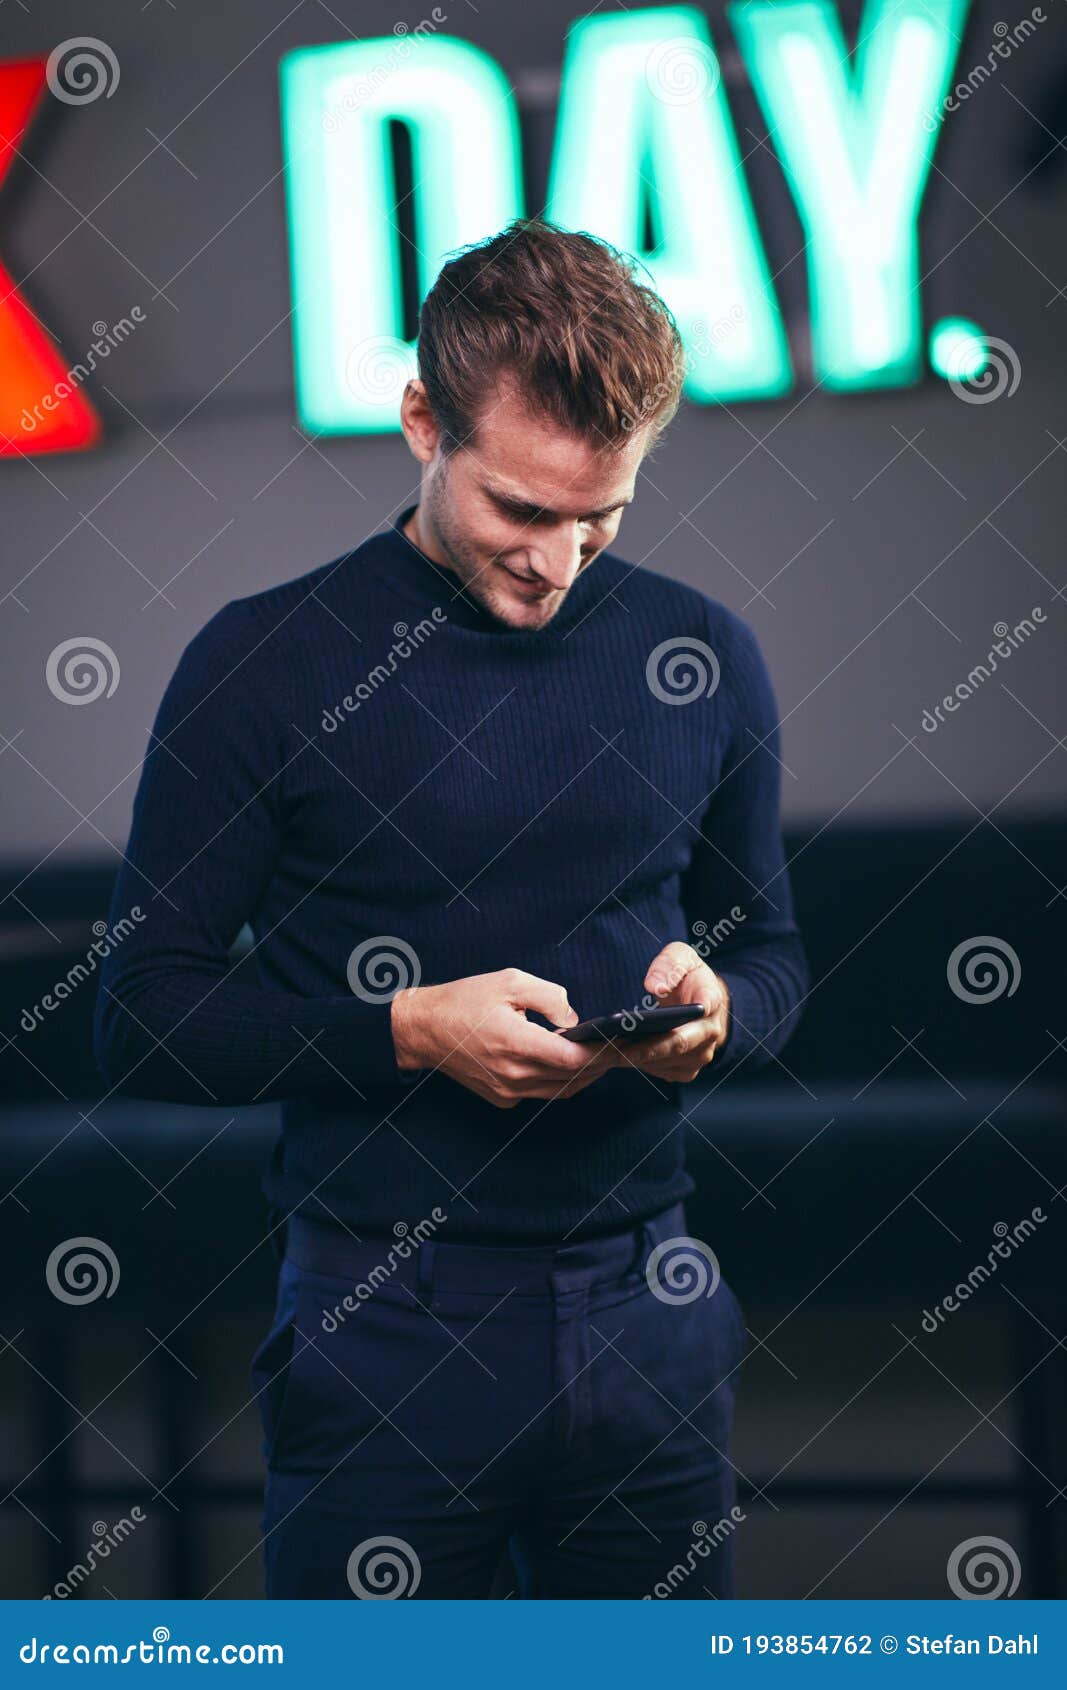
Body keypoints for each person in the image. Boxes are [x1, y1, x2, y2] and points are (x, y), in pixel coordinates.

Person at [95, 217, 809, 1599]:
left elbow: (772, 956)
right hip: (385, 1326)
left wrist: (720, 1014)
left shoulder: (702, 653)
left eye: (603, 517)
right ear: (423, 419)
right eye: (523, 512)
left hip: (648, 1309)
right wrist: (407, 1031)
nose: (559, 559)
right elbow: (143, 1017)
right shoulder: (262, 662)